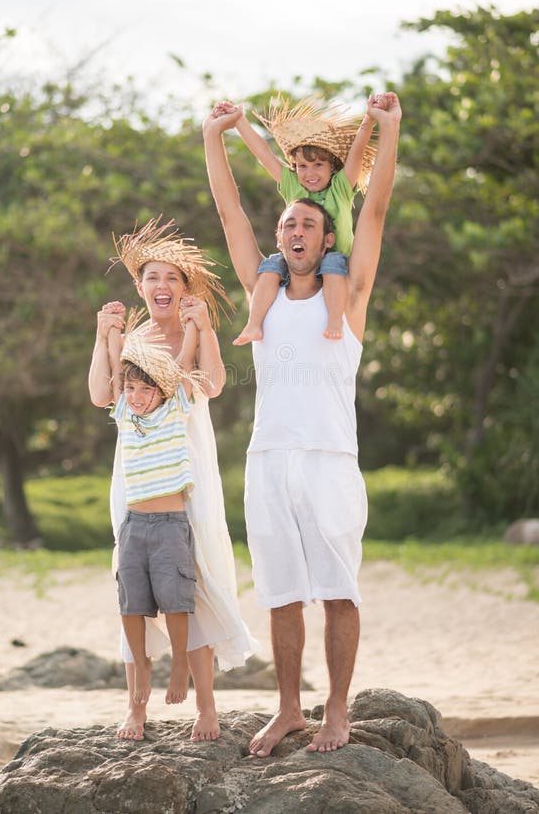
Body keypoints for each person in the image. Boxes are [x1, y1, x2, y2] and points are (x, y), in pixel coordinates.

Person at [202, 91, 401, 757]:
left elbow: (373, 207)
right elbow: (229, 211)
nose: (293, 233)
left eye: (307, 227)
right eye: (286, 224)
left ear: (324, 239)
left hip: (329, 462)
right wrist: (215, 137)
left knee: (338, 593)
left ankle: (336, 709)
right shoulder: (262, 292)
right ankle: (287, 708)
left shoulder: (352, 295)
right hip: (267, 465)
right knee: (281, 595)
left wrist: (389, 128)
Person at [89, 217, 258, 742]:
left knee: (198, 577)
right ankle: (135, 709)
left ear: (186, 289)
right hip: (137, 475)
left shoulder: (192, 331)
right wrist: (104, 337)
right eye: (152, 278)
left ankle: (206, 708)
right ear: (139, 286)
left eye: (172, 279)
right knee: (131, 589)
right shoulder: (132, 338)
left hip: (190, 468)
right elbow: (103, 395)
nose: (161, 287)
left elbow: (211, 384)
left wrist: (204, 328)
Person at [214, 95, 377, 344]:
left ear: (332, 167)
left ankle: (335, 320)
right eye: (302, 166)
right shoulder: (293, 186)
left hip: (334, 258)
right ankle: (254, 323)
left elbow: (355, 156)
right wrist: (239, 121)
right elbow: (264, 155)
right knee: (269, 267)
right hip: (298, 261)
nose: (309, 174)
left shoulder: (340, 188)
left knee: (332, 265)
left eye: (318, 165)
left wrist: (368, 120)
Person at [100, 317, 203, 708]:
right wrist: (111, 334)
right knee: (131, 600)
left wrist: (192, 325)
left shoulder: (175, 409)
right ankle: (141, 666)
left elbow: (184, 362)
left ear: (162, 392)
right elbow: (115, 367)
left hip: (170, 526)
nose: (138, 396)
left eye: (146, 389)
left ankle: (180, 662)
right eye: (131, 389)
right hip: (134, 526)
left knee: (176, 598)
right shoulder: (125, 414)